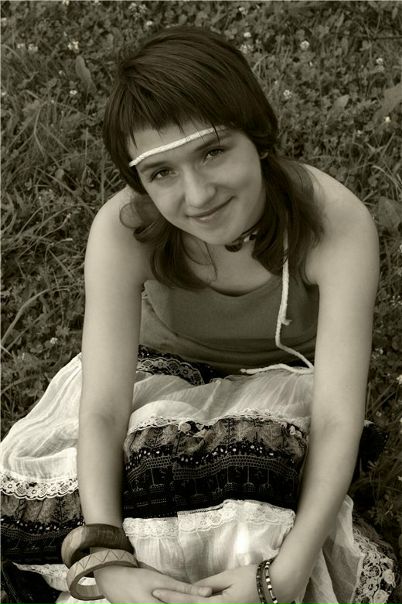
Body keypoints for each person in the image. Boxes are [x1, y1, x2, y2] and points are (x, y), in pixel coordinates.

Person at [1, 26, 398, 604]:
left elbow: (338, 417)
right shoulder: (125, 229)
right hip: (158, 382)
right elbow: (105, 409)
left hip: (281, 388)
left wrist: (283, 576)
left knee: (253, 485)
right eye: (161, 172)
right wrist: (106, 558)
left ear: (257, 136)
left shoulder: (332, 223)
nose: (197, 195)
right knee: (126, 492)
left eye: (213, 151)